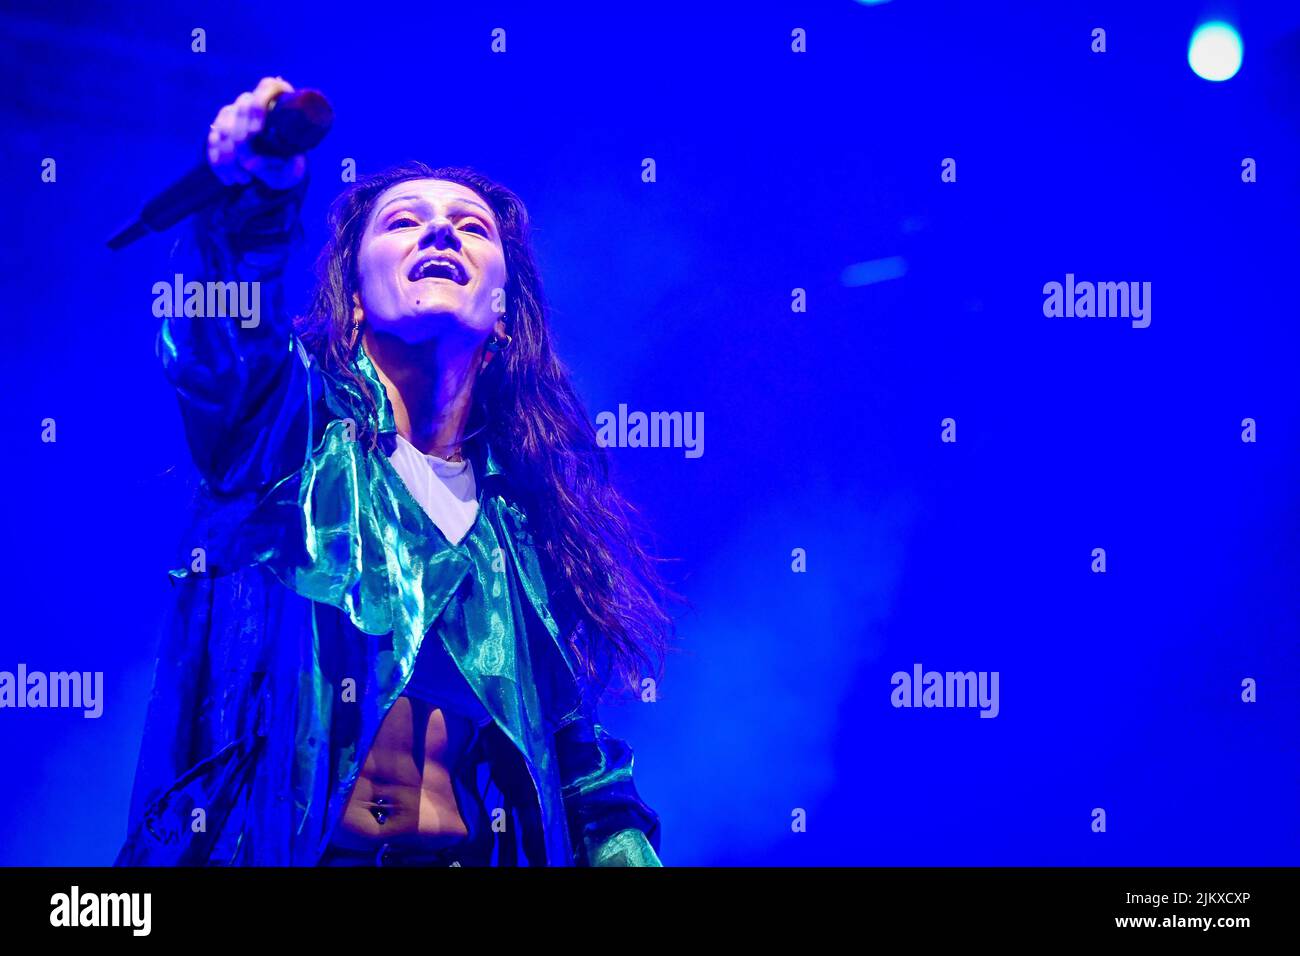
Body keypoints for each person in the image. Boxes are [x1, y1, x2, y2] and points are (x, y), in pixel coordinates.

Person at [115, 76, 678, 866]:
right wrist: (256, 209)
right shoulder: (290, 449)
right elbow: (224, 357)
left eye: (470, 228)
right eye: (405, 223)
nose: (440, 236)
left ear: (505, 310)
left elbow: (584, 783)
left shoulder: (518, 534)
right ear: (352, 300)